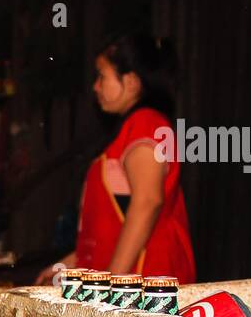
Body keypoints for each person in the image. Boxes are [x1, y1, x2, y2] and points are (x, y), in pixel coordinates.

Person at [37, 33, 196, 284]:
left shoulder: (146, 124)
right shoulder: (131, 128)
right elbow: (113, 228)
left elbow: (148, 201)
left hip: (145, 293)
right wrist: (69, 264)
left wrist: (112, 285)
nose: (95, 87)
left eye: (102, 76)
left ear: (131, 81)